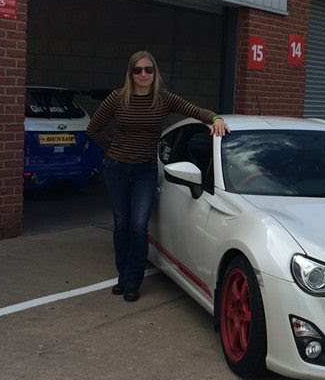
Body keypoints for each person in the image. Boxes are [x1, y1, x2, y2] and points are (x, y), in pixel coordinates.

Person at [88, 51, 229, 302]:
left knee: (138, 225)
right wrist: (112, 149)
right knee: (122, 224)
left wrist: (216, 118)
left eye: (148, 69)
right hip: (117, 169)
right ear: (130, 73)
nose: (143, 74)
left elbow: (196, 111)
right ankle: (123, 276)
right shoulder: (117, 98)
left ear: (155, 73)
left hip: (145, 171)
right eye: (138, 70)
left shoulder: (163, 99)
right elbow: (93, 129)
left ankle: (133, 282)